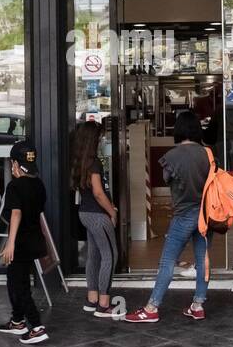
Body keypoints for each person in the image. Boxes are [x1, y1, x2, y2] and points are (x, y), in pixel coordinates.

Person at [125, 110, 211, 323]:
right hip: (205, 215)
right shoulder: (207, 153)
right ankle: (198, 305)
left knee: (167, 262)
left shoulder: (171, 156)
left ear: (179, 129)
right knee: (202, 262)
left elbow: (167, 179)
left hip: (183, 215)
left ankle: (152, 308)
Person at [0, 141, 50, 344]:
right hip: (35, 240)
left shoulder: (14, 186)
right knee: (13, 280)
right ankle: (17, 321)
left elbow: (16, 213)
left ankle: (36, 326)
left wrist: (10, 243)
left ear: (15, 165)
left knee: (21, 286)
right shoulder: (39, 184)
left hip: (20, 243)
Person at [70, 121, 121, 320]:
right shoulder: (94, 163)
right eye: (100, 137)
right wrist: (112, 211)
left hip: (85, 213)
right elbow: (99, 193)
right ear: (93, 139)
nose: (102, 140)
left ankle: (92, 299)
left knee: (94, 256)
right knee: (110, 256)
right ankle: (104, 304)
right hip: (98, 215)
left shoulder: (79, 161)